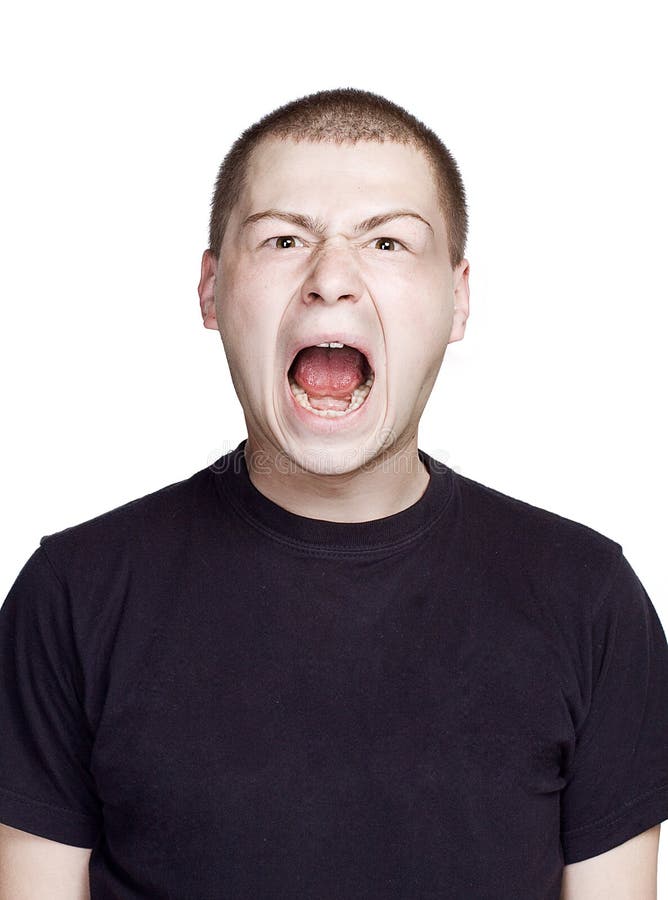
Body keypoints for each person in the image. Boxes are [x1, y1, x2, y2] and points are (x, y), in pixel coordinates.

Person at [0, 88, 666, 899]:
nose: (332, 280)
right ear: (211, 289)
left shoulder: (589, 599)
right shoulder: (72, 594)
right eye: (284, 238)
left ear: (458, 298)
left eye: (387, 241)